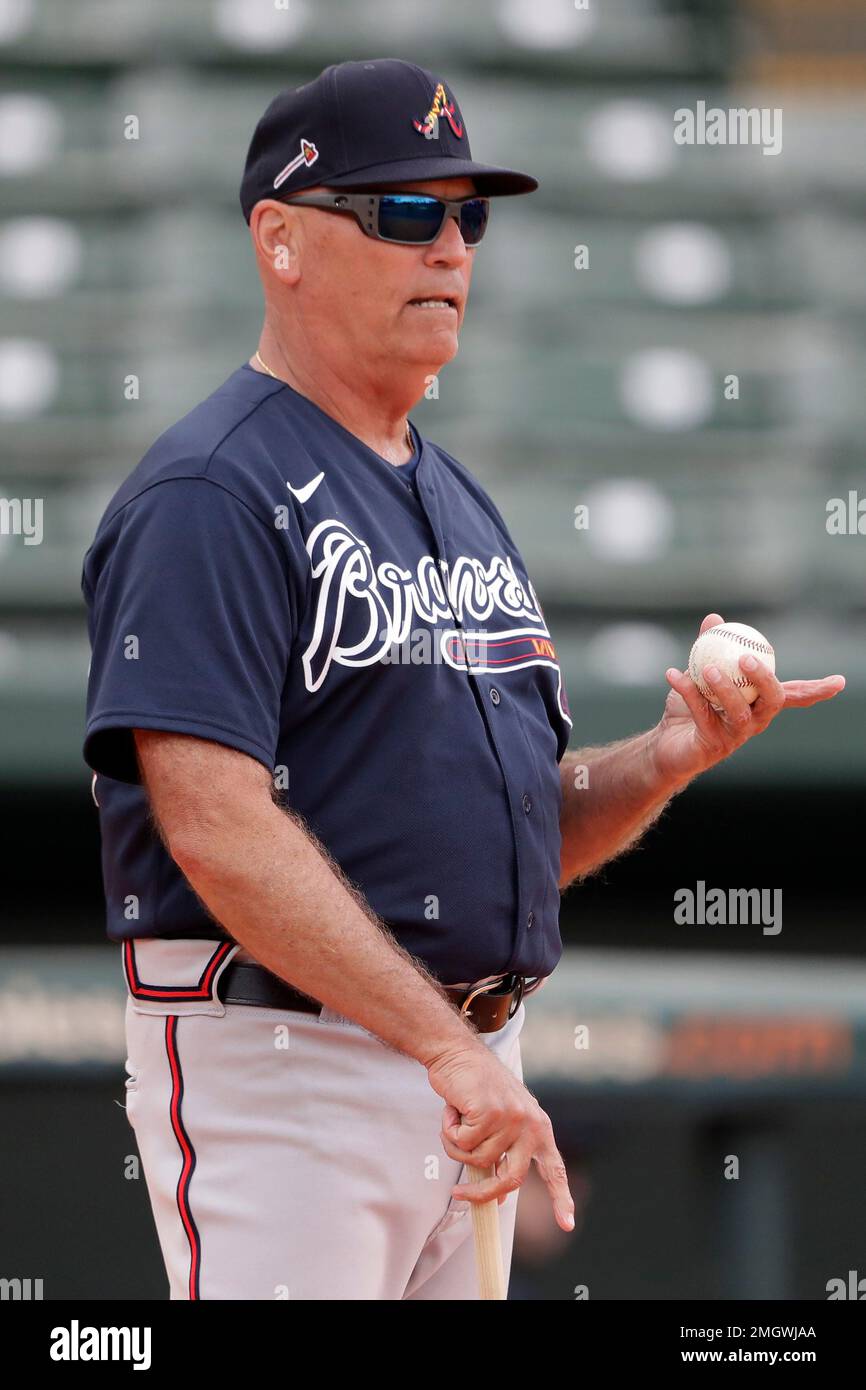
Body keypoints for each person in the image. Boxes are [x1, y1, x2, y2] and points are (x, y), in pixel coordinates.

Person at [82, 58, 845, 1300]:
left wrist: (664, 758)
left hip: (462, 1065)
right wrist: (445, 1046)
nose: (447, 248)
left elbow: (502, 838)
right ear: (278, 239)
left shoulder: (456, 497)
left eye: (467, 215)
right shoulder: (206, 496)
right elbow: (217, 827)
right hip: (286, 1059)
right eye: (401, 212)